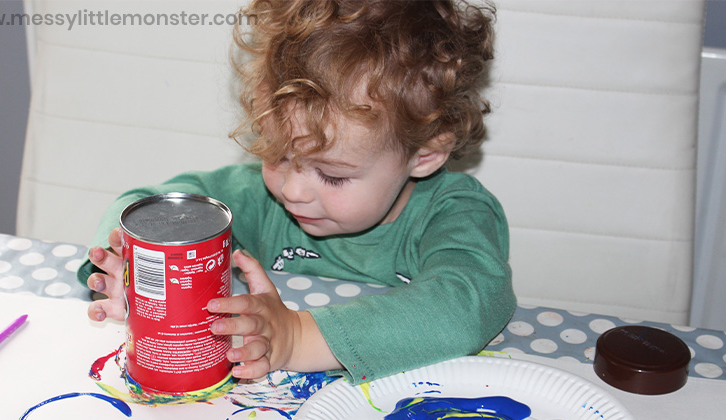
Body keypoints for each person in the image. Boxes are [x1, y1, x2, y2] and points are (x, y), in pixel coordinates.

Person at [79, 0, 516, 384]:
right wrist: (130, 268)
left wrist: (295, 337)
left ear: (424, 155)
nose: (292, 190)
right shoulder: (260, 199)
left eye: (333, 175)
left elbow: (469, 306)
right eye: (279, 156)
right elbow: (145, 202)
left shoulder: (455, 212)